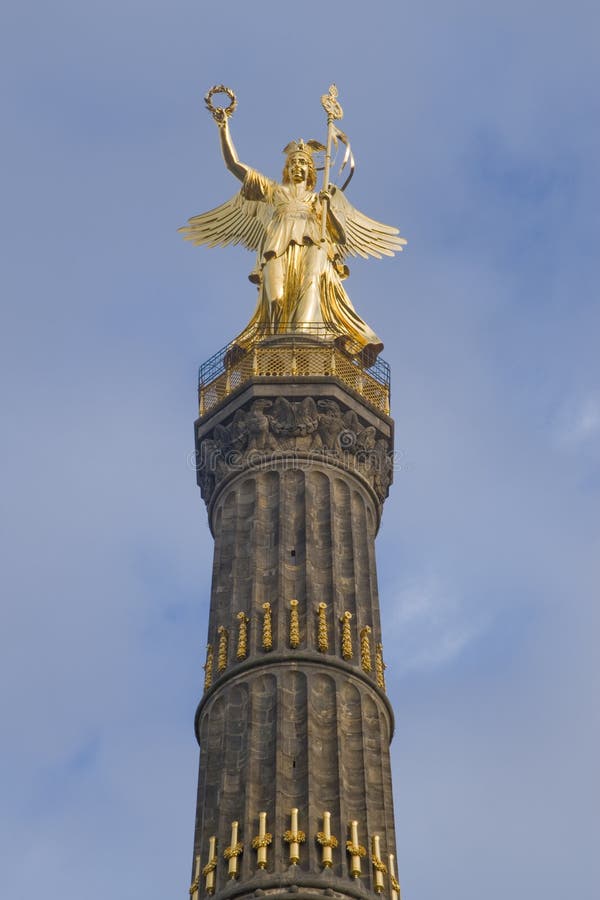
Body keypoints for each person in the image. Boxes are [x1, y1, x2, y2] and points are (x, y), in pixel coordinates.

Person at [181, 113, 405, 365]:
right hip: (277, 247)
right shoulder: (272, 191)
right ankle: (277, 348)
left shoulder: (321, 198)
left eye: (303, 163)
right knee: (275, 297)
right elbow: (234, 165)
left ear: (311, 171)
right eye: (294, 162)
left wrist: (328, 207)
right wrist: (223, 127)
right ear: (286, 168)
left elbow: (340, 236)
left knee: (310, 285)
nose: (297, 166)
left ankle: (306, 343)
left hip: (314, 245)